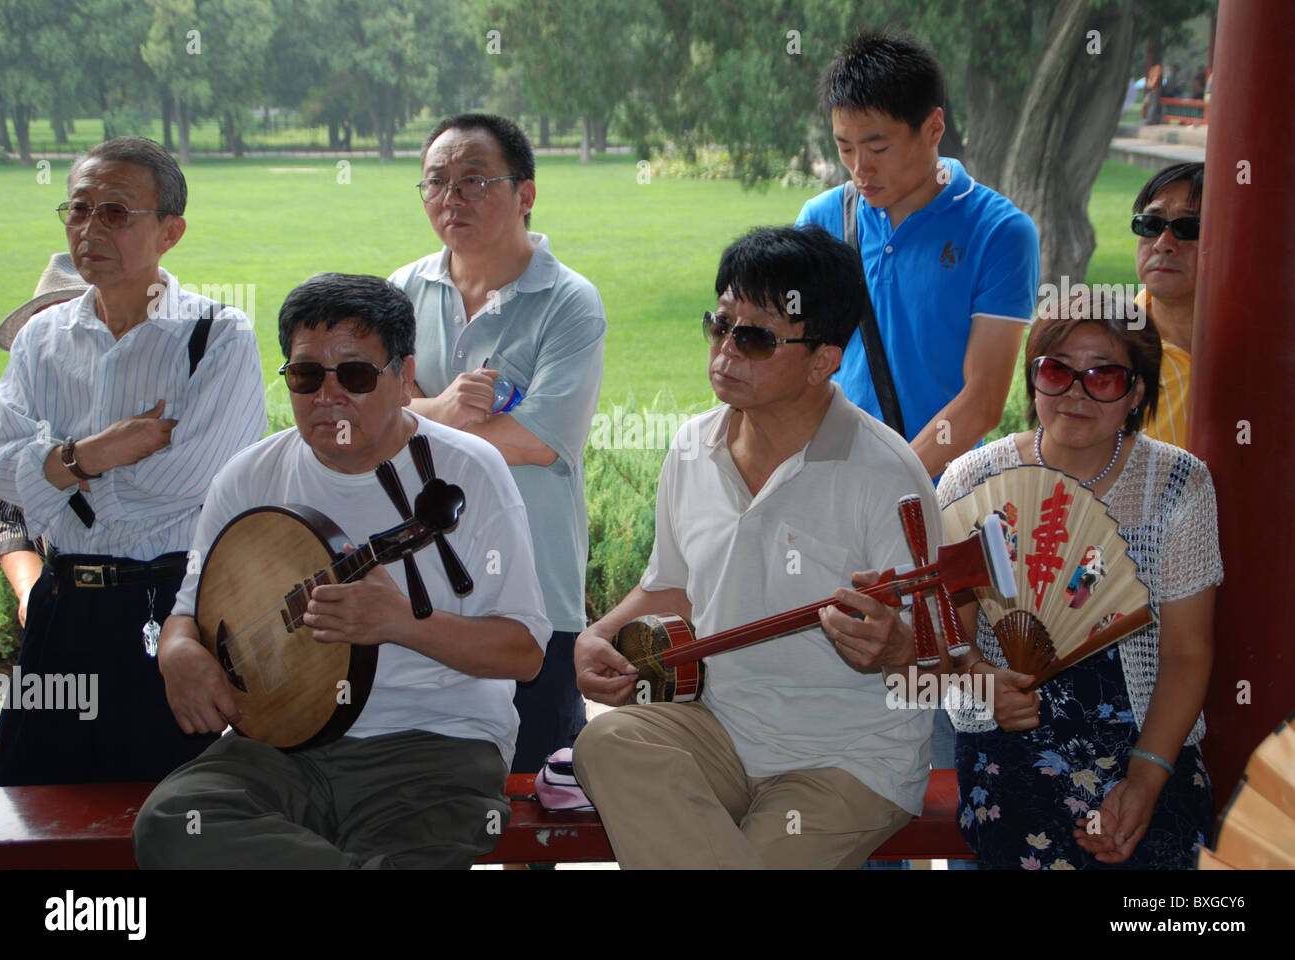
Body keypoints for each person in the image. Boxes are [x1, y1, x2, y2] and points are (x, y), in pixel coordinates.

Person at [132, 274, 551, 869]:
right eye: (305, 376)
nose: (327, 397)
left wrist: (402, 623)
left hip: (434, 746)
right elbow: (186, 615)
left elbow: (525, 653)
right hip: (280, 747)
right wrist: (177, 654)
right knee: (176, 824)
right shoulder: (249, 477)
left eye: (354, 375)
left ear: (406, 380)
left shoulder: (471, 470)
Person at [572, 226, 941, 869]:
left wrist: (897, 645)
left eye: (755, 338)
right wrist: (598, 632)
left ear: (825, 359)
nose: (725, 351)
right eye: (719, 325)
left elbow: (935, 659)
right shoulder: (692, 445)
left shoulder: (886, 475)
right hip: (718, 730)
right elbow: (673, 583)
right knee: (608, 743)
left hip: (847, 759)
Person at [0, 137, 267, 784]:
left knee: (168, 803)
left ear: (170, 231)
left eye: (115, 212)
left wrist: (55, 477)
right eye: (78, 209)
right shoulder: (40, 339)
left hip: (170, 610)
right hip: (60, 607)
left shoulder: (217, 338)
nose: (89, 228)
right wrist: (95, 453)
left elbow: (188, 482)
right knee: (24, 797)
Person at [938, 292, 1221, 869]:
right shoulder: (972, 481)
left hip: (1146, 727)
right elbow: (952, 644)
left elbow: (1186, 653)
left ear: (1137, 391)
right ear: (1033, 379)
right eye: (1056, 370)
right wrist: (984, 682)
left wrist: (1145, 779)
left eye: (1104, 377)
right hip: (1014, 722)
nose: (1075, 393)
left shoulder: (1176, 485)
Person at [389, 113, 605, 773]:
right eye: (436, 182)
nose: (452, 198)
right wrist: (448, 408)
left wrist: (417, 412)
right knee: (421, 792)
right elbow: (360, 421)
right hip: (419, 586)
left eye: (475, 181)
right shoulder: (400, 290)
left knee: (539, 790)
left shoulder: (569, 302)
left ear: (526, 192)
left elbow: (539, 440)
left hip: (534, 588)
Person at [795, 29, 1039, 480]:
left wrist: (889, 484)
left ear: (933, 128)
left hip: (936, 494)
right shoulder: (822, 219)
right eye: (844, 147)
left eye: (878, 148)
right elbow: (790, 357)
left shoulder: (999, 233)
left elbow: (983, 400)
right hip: (825, 484)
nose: (859, 168)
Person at [0, 255, 91, 627]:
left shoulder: (147, 406)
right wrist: (30, 590)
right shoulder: (20, 416)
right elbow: (8, 517)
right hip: (55, 607)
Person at [1132, 161, 1204, 448]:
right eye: (1151, 224)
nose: (1164, 243)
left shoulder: (1272, 351)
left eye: (1188, 227)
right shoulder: (1109, 348)